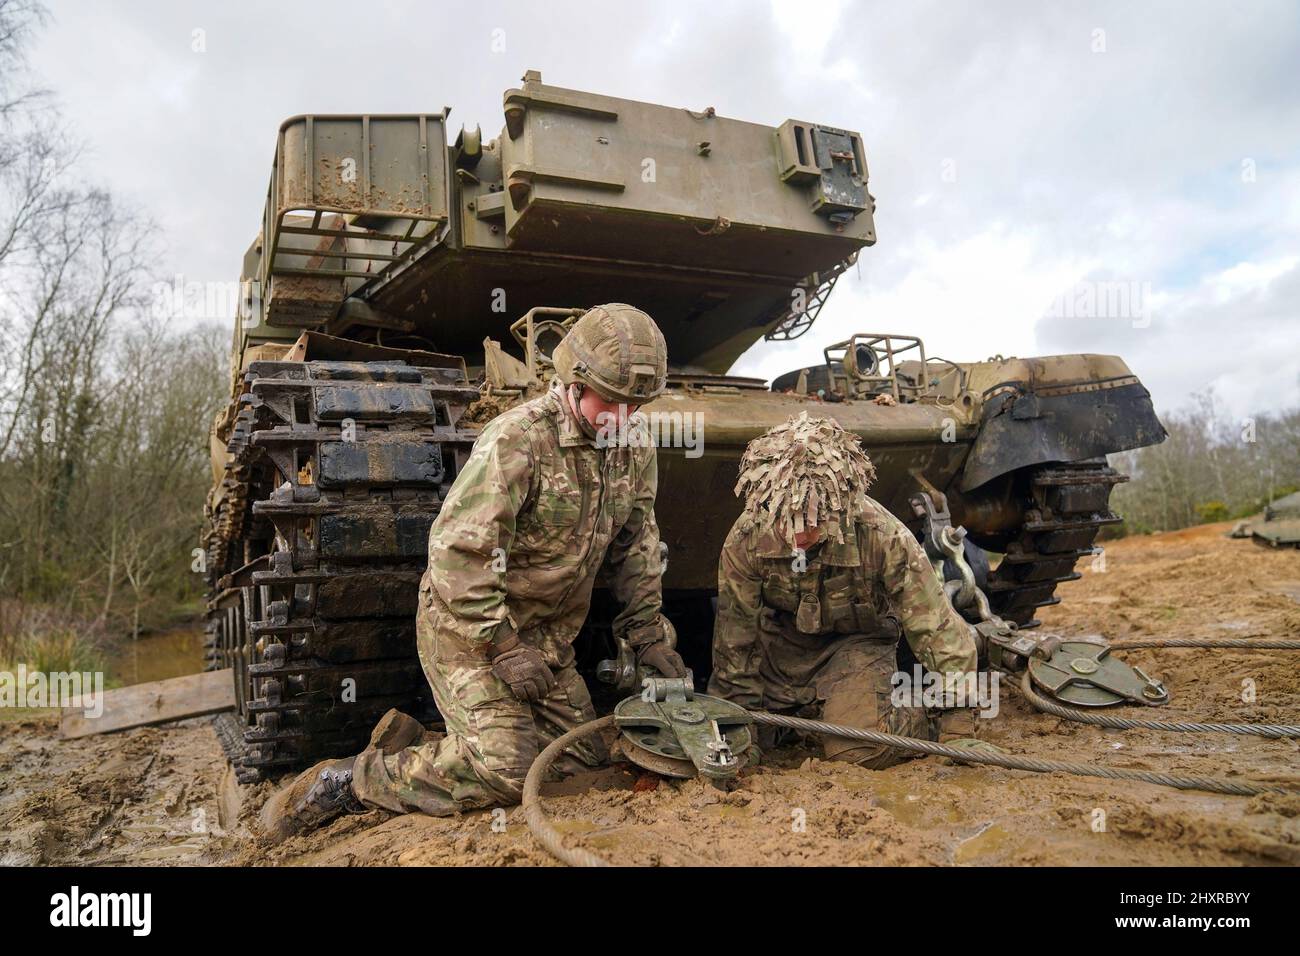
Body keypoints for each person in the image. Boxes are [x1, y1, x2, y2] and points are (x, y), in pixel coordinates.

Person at [262, 303, 684, 840]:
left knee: (580, 761)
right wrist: (501, 644)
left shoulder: (634, 446)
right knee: (508, 772)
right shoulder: (519, 439)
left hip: (548, 644)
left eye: (636, 405)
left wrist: (647, 634)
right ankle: (352, 780)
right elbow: (459, 553)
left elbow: (637, 545)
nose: (623, 418)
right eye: (612, 401)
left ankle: (420, 744)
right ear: (574, 382)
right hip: (468, 633)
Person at [707, 412, 985, 768]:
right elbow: (735, 641)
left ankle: (914, 713)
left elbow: (935, 625)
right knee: (737, 744)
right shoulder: (746, 538)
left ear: (841, 505)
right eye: (785, 518)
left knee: (856, 749)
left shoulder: (882, 535)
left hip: (854, 648)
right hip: (780, 652)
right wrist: (740, 717)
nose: (798, 535)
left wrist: (957, 718)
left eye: (812, 520)